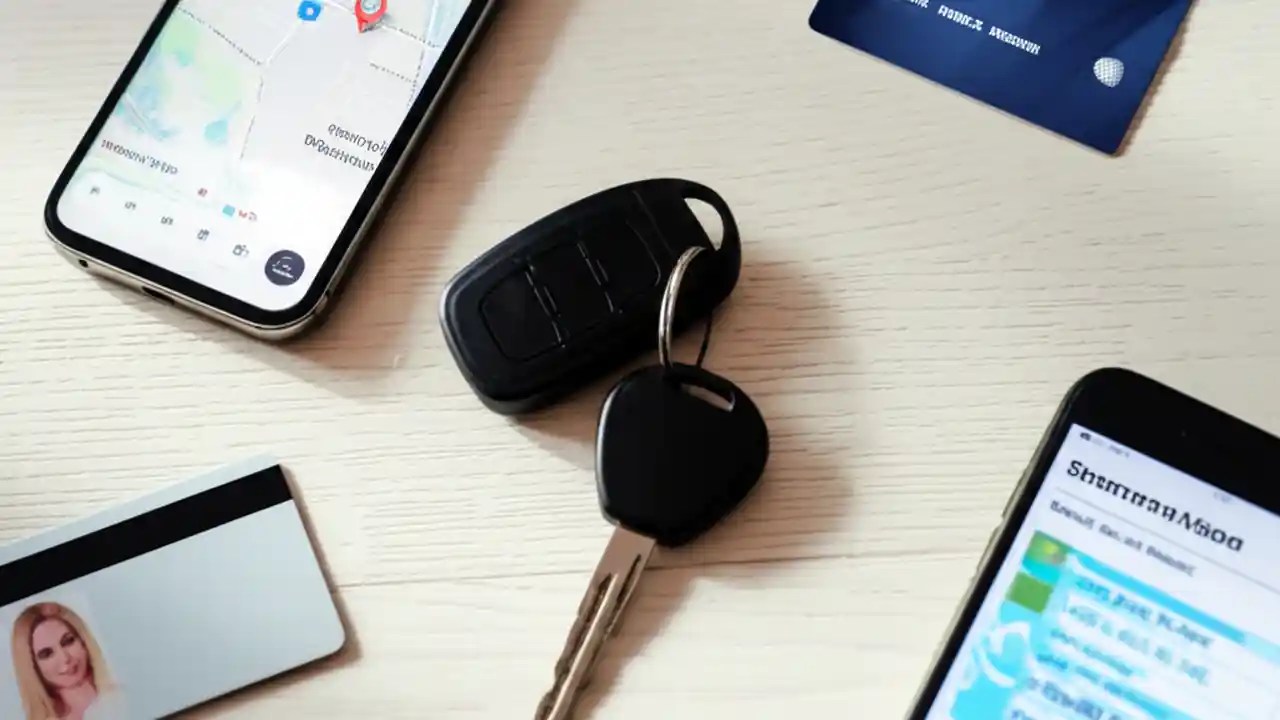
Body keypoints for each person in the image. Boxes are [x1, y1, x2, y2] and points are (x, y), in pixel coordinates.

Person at [10, 602, 125, 720]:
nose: (65, 658)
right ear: (32, 666)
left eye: (68, 641)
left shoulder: (123, 699)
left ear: (83, 639)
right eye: (47, 654)